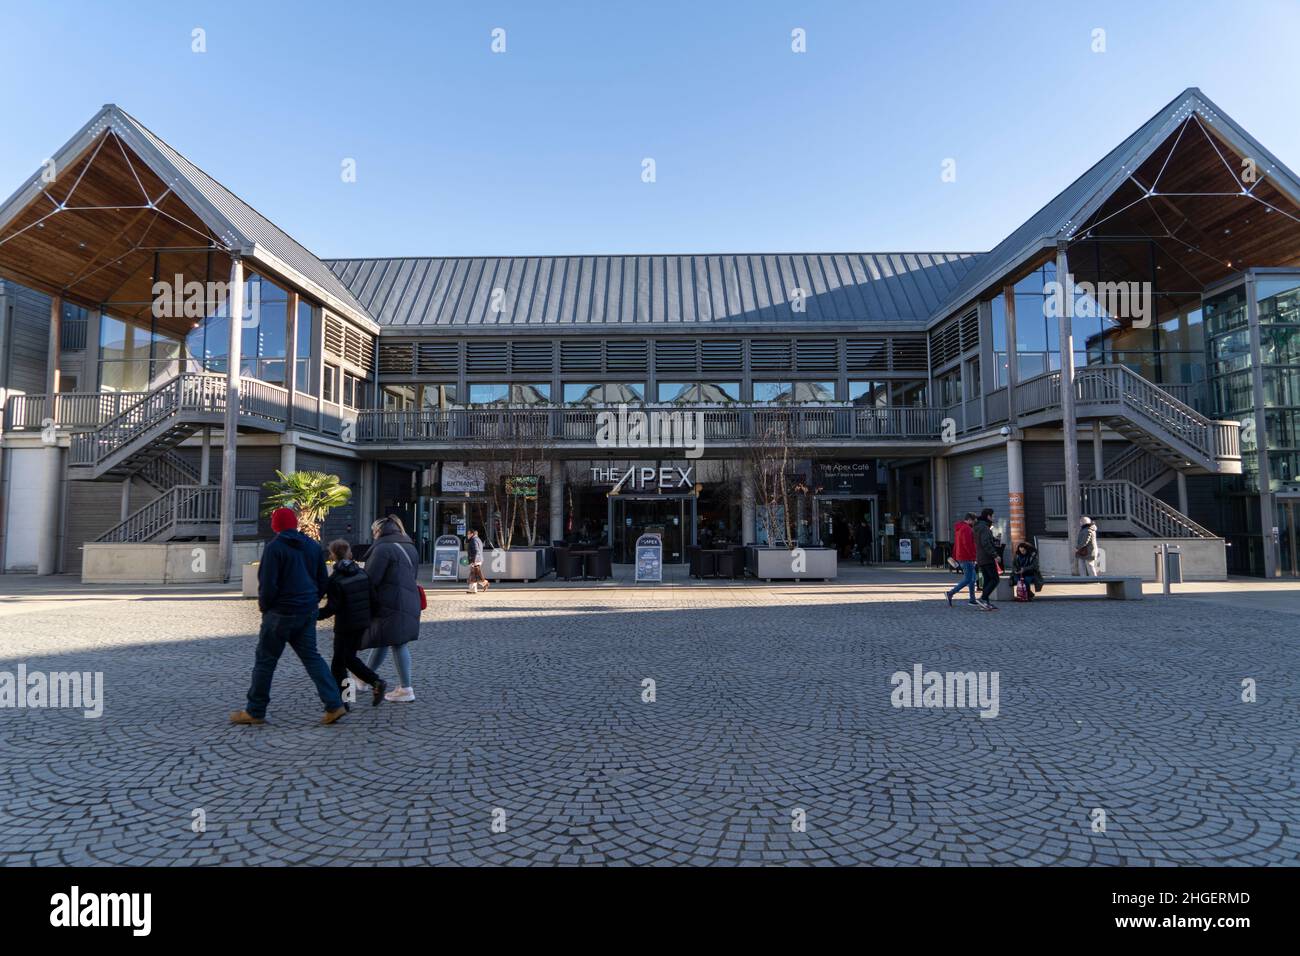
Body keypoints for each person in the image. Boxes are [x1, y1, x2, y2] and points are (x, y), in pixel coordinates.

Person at [231, 508, 347, 726]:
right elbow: (323, 579)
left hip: (280, 613)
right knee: (312, 658)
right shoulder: (312, 546)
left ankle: (255, 710)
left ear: (276, 526)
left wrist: (266, 608)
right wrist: (313, 600)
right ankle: (334, 704)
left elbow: (267, 583)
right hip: (306, 611)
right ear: (295, 524)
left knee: (265, 661)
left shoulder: (275, 548)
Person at [319, 540, 387, 707]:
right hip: (362, 623)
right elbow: (374, 599)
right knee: (346, 659)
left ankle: (363, 689)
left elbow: (332, 607)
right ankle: (350, 697)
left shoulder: (335, 579)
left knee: (340, 663)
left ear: (333, 556)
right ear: (349, 553)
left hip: (345, 625)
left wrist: (314, 615)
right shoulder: (362, 573)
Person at [364, 515, 422, 703]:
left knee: (397, 643)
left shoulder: (383, 548)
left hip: (389, 602)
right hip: (407, 601)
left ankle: (406, 688)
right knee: (385, 639)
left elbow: (371, 579)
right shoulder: (409, 546)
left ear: (380, 531)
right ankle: (364, 677)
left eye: (374, 531)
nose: (373, 535)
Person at [945, 512, 979, 608]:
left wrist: (955, 555)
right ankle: (951, 593)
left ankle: (972, 599)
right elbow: (968, 544)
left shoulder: (959, 528)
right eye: (973, 521)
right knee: (968, 579)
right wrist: (974, 556)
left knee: (972, 578)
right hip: (967, 557)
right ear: (969, 520)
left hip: (962, 556)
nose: (974, 523)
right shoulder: (967, 529)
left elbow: (957, 544)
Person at [974, 507, 1001, 610]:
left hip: (981, 557)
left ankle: (986, 603)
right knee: (995, 579)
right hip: (987, 557)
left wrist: (993, 539)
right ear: (988, 516)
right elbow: (985, 543)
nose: (994, 517)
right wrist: (995, 555)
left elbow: (983, 541)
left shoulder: (979, 526)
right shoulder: (984, 527)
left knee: (987, 580)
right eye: (993, 515)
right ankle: (983, 598)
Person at [466, 528, 490, 594]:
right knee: (475, 574)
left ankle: (481, 585)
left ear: (472, 534)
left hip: (476, 560)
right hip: (478, 559)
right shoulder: (478, 539)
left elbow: (476, 551)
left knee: (473, 574)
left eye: (468, 534)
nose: (467, 535)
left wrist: (474, 560)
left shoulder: (473, 540)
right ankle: (483, 584)